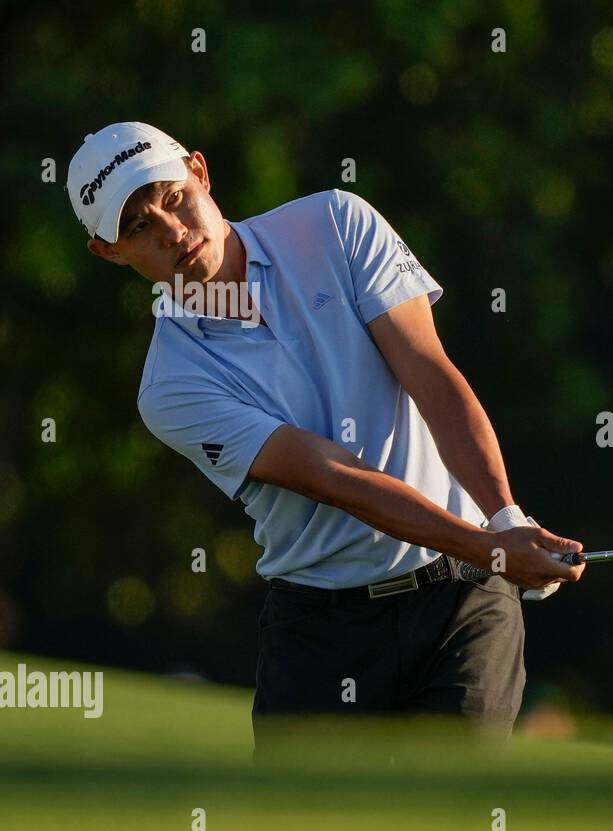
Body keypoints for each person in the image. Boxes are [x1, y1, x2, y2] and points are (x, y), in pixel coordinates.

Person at [67, 121, 585, 755]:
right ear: (109, 252)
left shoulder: (334, 224)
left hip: (460, 601)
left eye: (172, 198)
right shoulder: (171, 386)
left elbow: (429, 372)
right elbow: (334, 478)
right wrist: (493, 548)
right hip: (321, 630)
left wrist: (504, 519)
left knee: (455, 825)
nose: (171, 231)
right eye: (137, 227)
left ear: (200, 173)